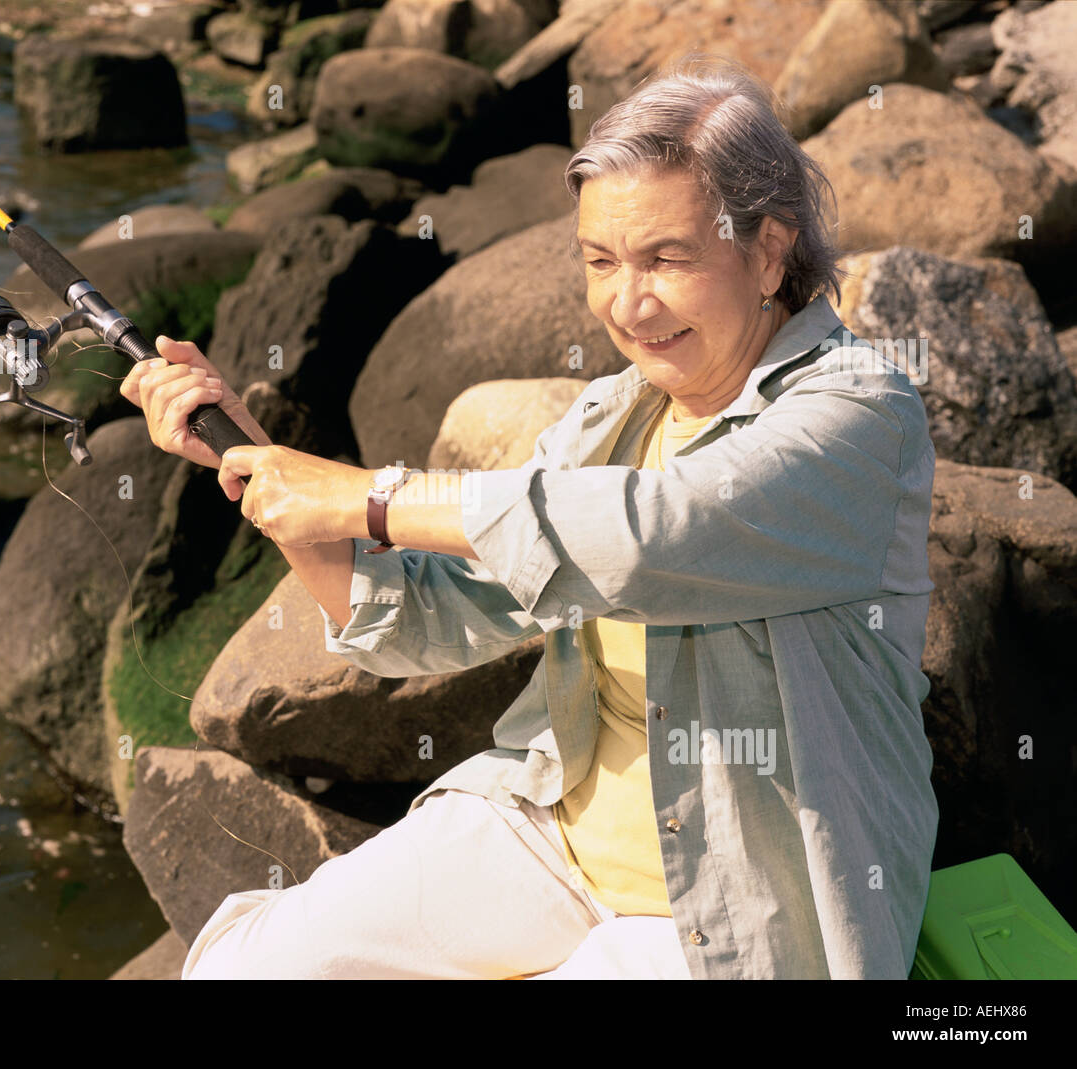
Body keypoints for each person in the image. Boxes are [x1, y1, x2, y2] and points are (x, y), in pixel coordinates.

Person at [120, 54, 938, 980]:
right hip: (552, 823)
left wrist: (370, 494)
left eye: (667, 258)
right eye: (600, 261)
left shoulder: (862, 414)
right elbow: (435, 618)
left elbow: (654, 533)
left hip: (740, 902)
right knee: (242, 967)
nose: (627, 304)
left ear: (768, 250)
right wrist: (268, 475)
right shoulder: (611, 415)